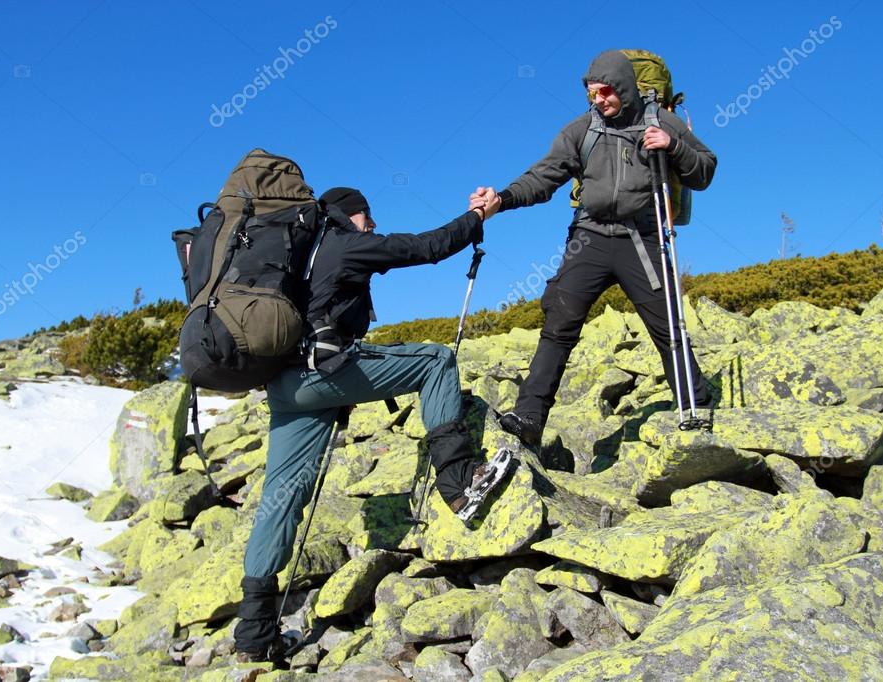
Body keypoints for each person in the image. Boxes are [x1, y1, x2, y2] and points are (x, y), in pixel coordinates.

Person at [234, 187, 507, 662]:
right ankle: (460, 482)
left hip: (284, 385)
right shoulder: (345, 242)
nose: (373, 224)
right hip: (322, 376)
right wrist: (477, 216)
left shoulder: (296, 259)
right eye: (369, 215)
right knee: (436, 360)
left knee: (279, 499)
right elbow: (427, 247)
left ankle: (254, 634)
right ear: (350, 214)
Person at [475, 49, 717, 447]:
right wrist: (501, 199)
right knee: (559, 322)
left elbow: (704, 170)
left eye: (606, 92)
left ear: (624, 86)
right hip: (589, 236)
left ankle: (697, 407)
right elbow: (543, 177)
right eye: (592, 94)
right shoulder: (581, 131)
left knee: (668, 326)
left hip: (643, 240)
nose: (599, 100)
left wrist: (673, 145)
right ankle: (529, 417)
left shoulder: (662, 121)